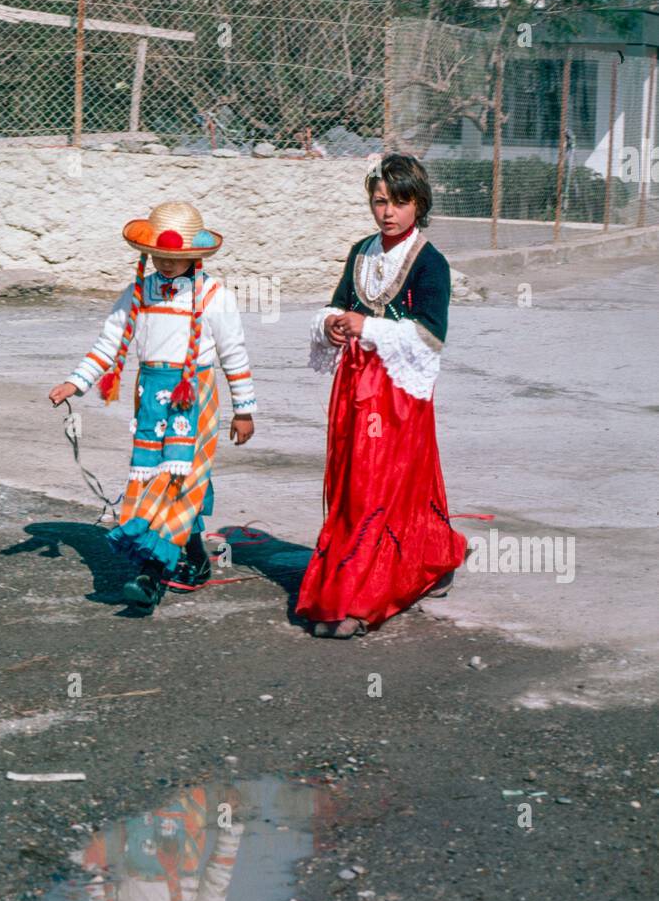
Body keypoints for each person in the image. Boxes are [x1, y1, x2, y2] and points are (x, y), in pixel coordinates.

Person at [49, 201, 256, 613]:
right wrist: (77, 381)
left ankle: (150, 575)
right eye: (159, 256)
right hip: (150, 402)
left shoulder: (215, 296)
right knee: (151, 482)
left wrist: (244, 410)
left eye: (175, 258)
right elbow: (109, 344)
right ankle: (193, 560)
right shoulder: (138, 294)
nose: (165, 263)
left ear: (195, 256)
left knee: (177, 484)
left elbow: (234, 353)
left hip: (194, 400)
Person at [297, 152, 466, 638]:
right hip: (355, 383)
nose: (388, 211)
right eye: (379, 201)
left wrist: (367, 326)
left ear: (419, 203)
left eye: (399, 201)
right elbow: (339, 303)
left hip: (399, 392)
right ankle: (398, 568)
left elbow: (432, 335)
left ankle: (362, 597)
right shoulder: (362, 252)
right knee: (353, 482)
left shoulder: (431, 263)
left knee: (382, 485)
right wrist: (330, 324)